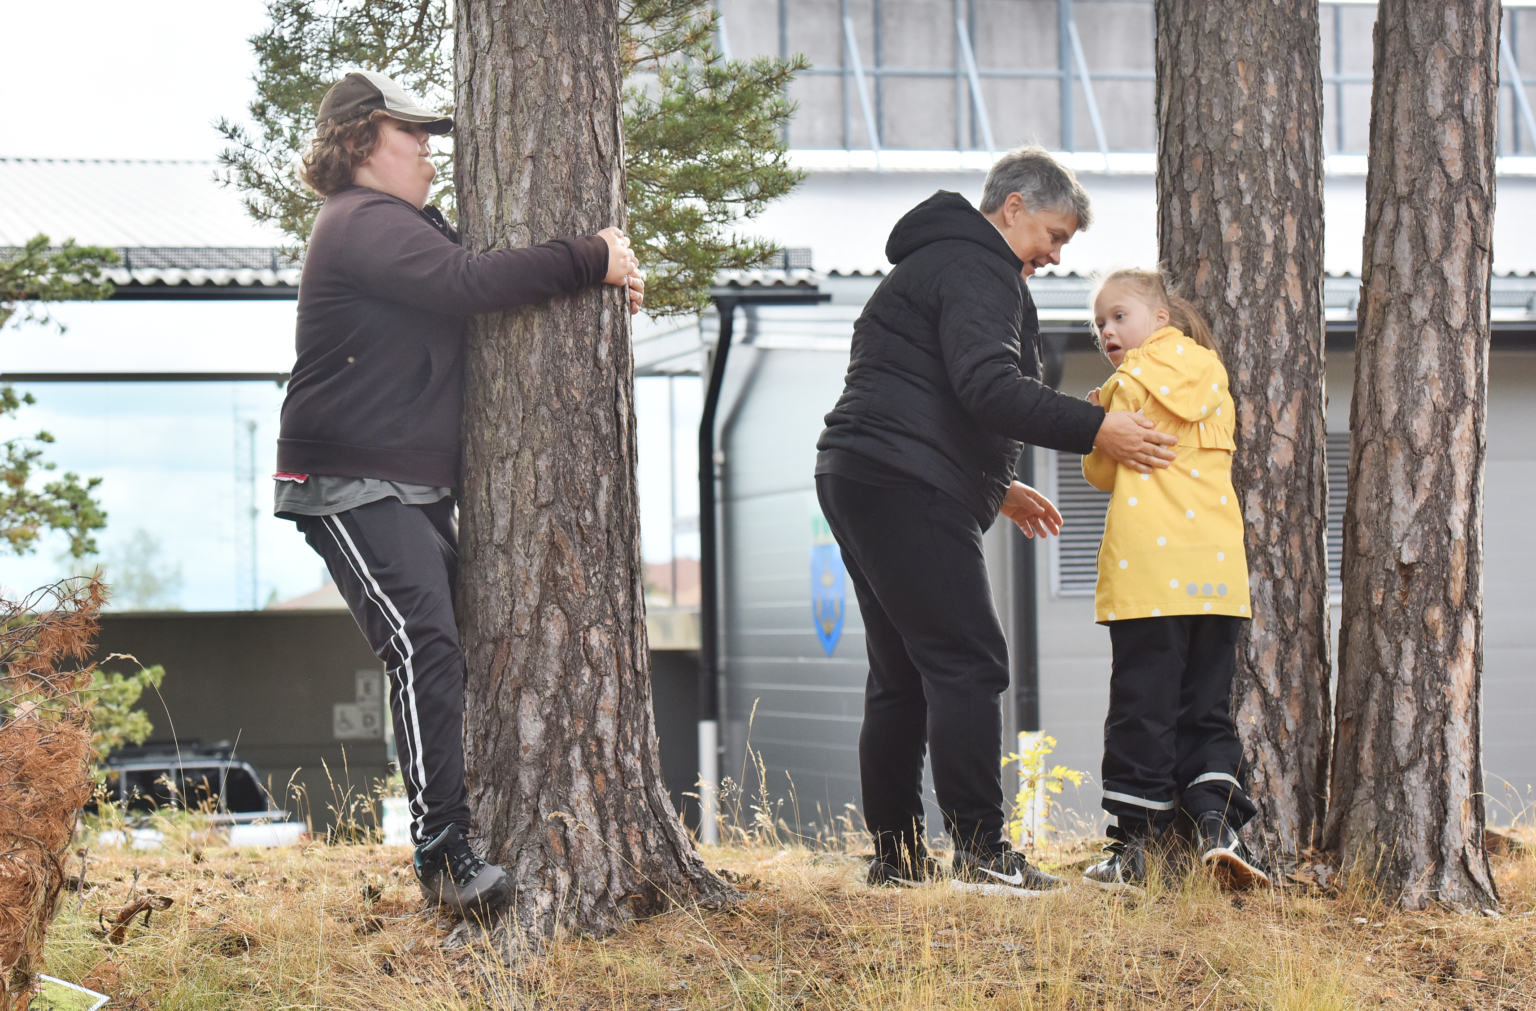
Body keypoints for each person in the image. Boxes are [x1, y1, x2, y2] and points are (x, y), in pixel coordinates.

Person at [271, 71, 644, 915]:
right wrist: (591, 256)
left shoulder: (401, 226)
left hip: (403, 481)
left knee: (461, 639)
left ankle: (456, 825)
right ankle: (442, 849)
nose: (430, 151)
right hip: (346, 479)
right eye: (412, 134)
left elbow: (478, 282)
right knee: (424, 644)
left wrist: (608, 279)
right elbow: (470, 283)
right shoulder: (359, 221)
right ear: (361, 142)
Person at [814, 146, 1180, 894]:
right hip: (903, 482)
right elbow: (988, 385)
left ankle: (898, 858)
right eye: (1054, 234)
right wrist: (1098, 428)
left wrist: (995, 482)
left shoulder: (935, 263)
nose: (1056, 255)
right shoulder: (979, 266)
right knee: (969, 661)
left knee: (904, 674)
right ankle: (982, 852)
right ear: (1013, 207)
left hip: (860, 474)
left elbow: (924, 386)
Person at [1077, 268, 1269, 892]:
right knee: (1206, 709)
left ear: (1160, 317)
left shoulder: (1126, 384)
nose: (1107, 331)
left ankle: (1137, 846)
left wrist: (1095, 421)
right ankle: (1217, 822)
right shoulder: (1213, 375)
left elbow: (1101, 473)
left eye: (1119, 316)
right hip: (1216, 578)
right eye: (1100, 324)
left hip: (1149, 579)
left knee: (1143, 706)